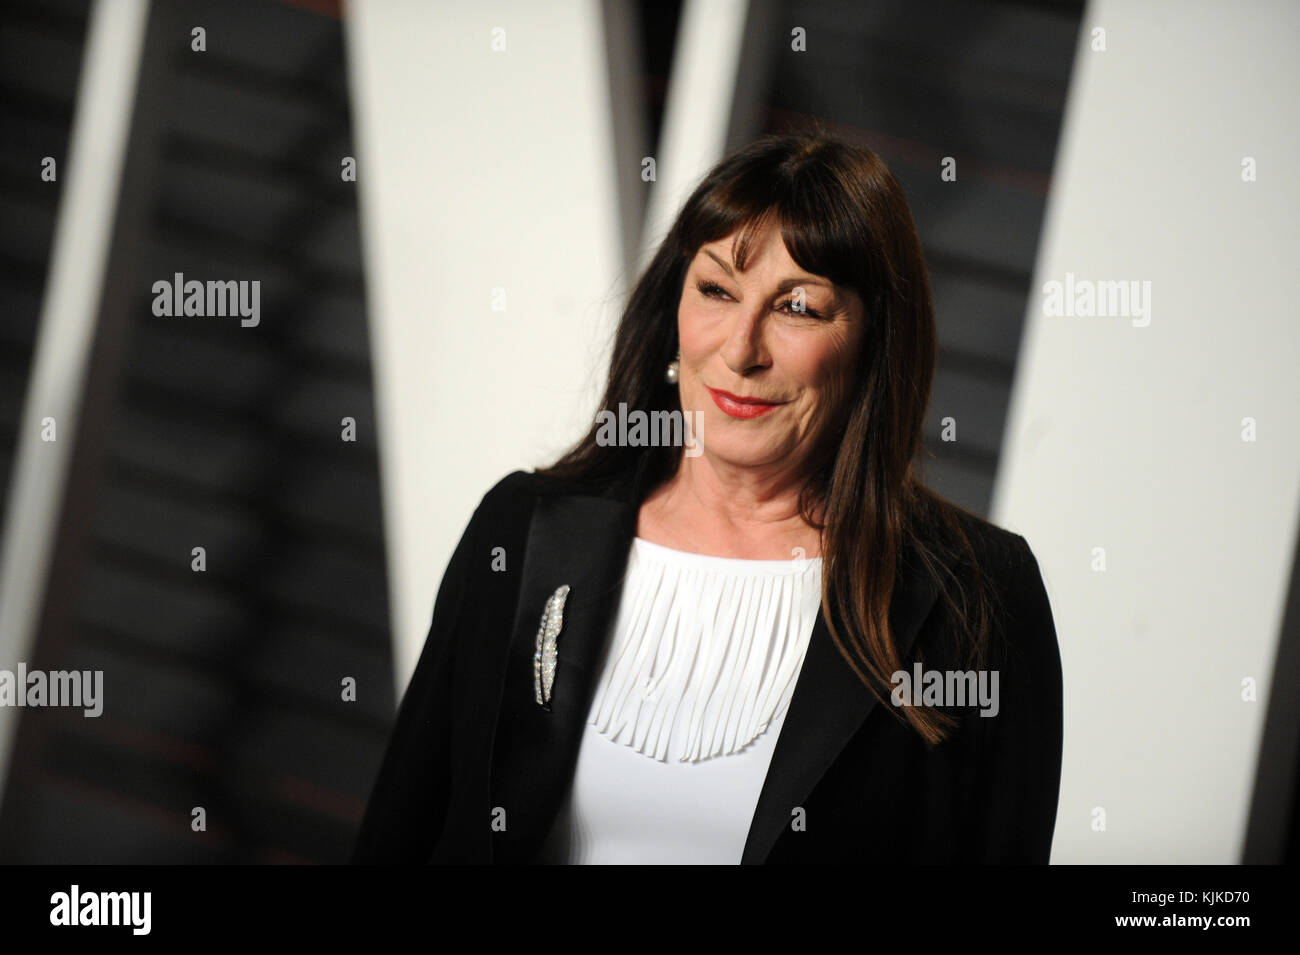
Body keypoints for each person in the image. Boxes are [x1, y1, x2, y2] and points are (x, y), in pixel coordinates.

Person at [351, 131, 1063, 864]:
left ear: (872, 349)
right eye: (717, 290)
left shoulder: (977, 594)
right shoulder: (523, 529)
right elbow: (400, 832)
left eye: (799, 307)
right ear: (674, 307)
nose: (740, 348)